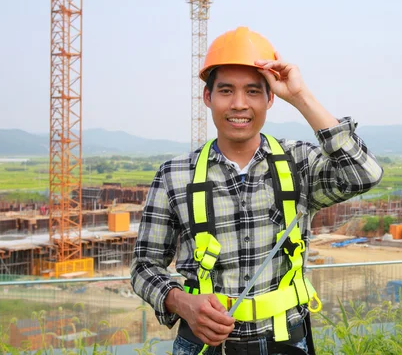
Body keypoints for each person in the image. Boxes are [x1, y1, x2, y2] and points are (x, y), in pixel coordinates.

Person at [131, 26, 383, 354]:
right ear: (207, 97)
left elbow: (365, 173)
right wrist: (181, 303)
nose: (239, 104)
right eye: (225, 91)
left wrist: (301, 96)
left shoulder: (299, 163)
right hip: (205, 344)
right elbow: (143, 266)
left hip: (285, 340)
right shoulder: (175, 175)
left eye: (252, 91)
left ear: (270, 98)